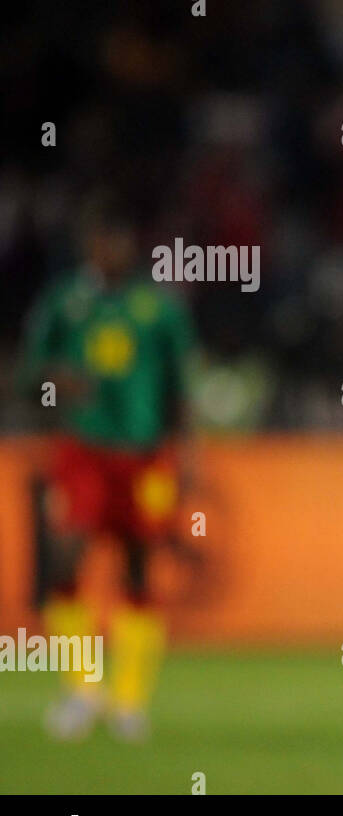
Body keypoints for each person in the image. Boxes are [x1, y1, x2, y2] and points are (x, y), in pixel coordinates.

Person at [20, 194, 197, 741]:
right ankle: (82, 689)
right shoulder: (65, 302)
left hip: (145, 455)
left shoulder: (159, 309)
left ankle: (128, 701)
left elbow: (180, 390)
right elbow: (30, 376)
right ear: (89, 245)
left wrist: (189, 456)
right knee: (65, 559)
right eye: (102, 238)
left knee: (139, 569)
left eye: (119, 238)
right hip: (82, 451)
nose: (110, 248)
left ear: (131, 245)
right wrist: (56, 383)